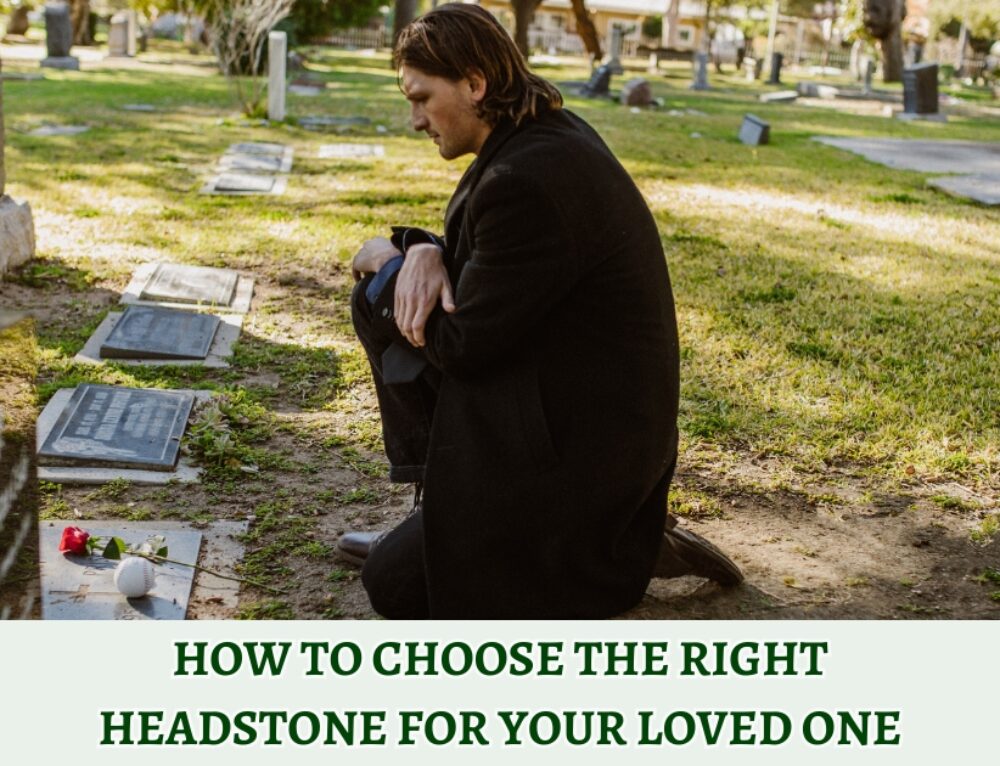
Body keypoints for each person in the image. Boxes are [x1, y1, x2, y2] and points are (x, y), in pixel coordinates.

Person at [341, 3, 742, 619]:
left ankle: (618, 548)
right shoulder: (536, 139)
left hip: (581, 458)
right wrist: (417, 248)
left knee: (395, 586)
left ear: (475, 83)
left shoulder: (528, 178)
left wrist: (394, 265)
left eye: (422, 98)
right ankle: (435, 514)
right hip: (551, 401)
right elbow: (487, 270)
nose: (415, 119)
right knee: (378, 300)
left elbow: (462, 344)